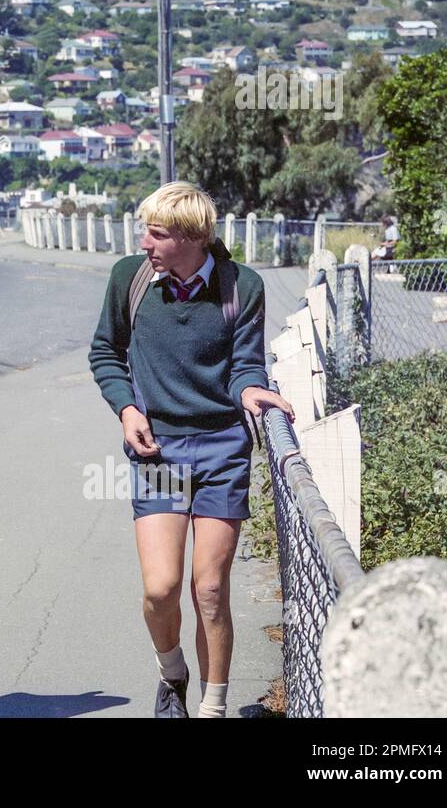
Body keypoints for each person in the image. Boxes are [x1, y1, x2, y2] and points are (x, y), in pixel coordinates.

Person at [88, 182, 294, 719]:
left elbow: (245, 364)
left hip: (222, 450)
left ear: (192, 237)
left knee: (209, 589)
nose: (145, 242)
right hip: (159, 453)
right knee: (161, 589)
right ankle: (172, 672)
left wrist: (250, 391)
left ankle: (212, 707)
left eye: (156, 234)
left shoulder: (241, 286)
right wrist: (127, 409)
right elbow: (105, 352)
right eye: (146, 231)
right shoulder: (130, 279)